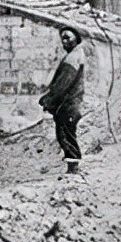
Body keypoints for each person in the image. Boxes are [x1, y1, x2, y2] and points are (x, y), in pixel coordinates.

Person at [39, 26, 86, 173]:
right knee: (66, 133)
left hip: (69, 103)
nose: (64, 42)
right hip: (71, 102)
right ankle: (73, 167)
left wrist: (48, 99)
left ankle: (73, 169)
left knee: (65, 134)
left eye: (68, 38)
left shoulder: (72, 57)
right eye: (63, 39)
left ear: (76, 39)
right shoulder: (77, 54)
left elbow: (62, 84)